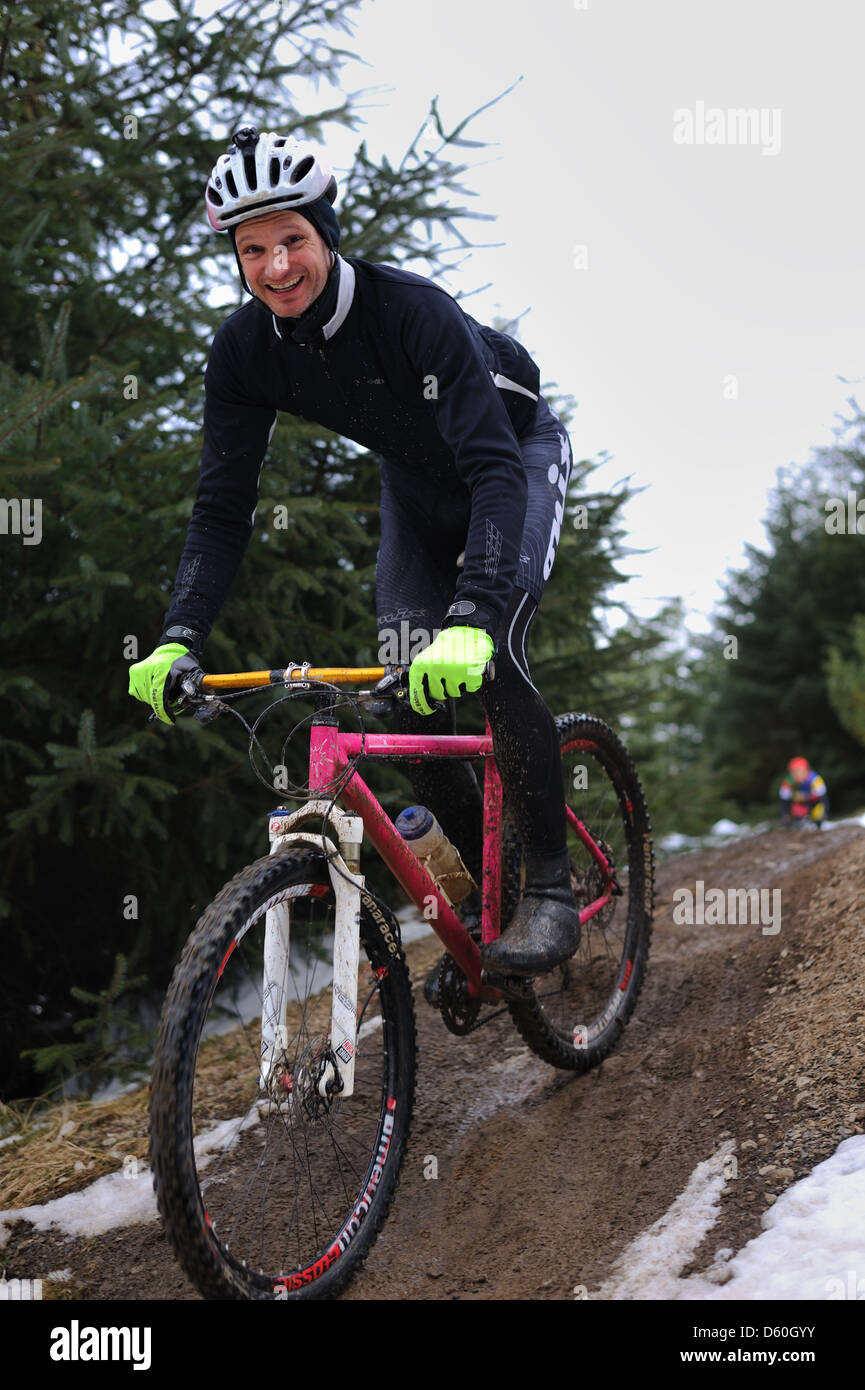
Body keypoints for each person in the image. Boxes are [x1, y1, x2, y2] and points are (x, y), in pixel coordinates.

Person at [128, 126, 579, 981]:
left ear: (326, 236)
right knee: (405, 694)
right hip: (413, 487)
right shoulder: (244, 351)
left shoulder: (412, 311)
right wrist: (179, 634)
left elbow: (489, 465)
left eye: (292, 240)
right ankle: (497, 881)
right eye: (252, 249)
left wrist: (476, 616)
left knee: (492, 656)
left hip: (510, 460)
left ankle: (551, 893)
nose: (276, 267)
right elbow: (222, 508)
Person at [779, 756, 828, 828]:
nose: (797, 774)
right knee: (796, 812)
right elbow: (784, 801)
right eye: (794, 771)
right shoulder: (788, 782)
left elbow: (823, 798)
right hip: (800, 804)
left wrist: (825, 811)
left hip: (815, 803)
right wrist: (784, 815)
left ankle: (817, 823)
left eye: (800, 770)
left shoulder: (815, 779)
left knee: (819, 814)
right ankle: (799, 822)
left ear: (806, 770)